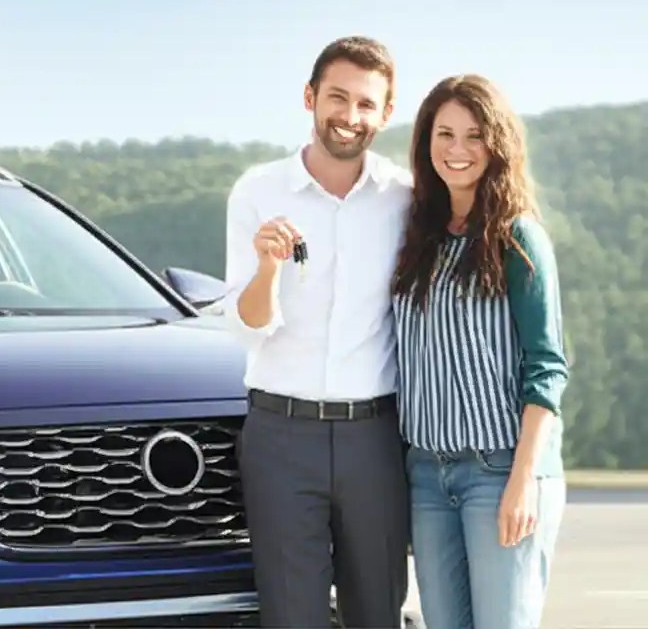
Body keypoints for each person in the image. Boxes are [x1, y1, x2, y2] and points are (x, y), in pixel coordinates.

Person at [207, 36, 413, 627]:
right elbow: (247, 326)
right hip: (281, 436)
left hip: (374, 438)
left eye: (366, 104)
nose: (350, 117)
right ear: (310, 97)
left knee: (377, 612)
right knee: (292, 616)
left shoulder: (403, 198)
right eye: (338, 98)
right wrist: (268, 266)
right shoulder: (258, 191)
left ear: (385, 114)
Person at [391, 74, 567, 629]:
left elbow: (547, 368)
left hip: (500, 471)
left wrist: (523, 481)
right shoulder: (417, 237)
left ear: (498, 143)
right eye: (445, 133)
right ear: (426, 142)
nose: (458, 150)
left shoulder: (517, 237)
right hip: (426, 476)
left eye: (474, 135)